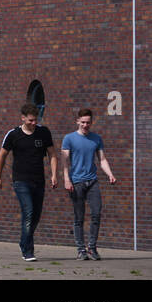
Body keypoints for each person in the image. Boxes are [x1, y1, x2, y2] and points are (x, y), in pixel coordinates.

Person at [0, 102, 57, 261]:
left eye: (36, 120)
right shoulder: (13, 134)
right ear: (23, 118)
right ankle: (28, 251)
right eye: (30, 120)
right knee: (28, 212)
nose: (34, 123)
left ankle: (24, 242)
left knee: (35, 216)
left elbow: (52, 154)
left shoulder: (43, 133)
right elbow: (1, 156)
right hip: (21, 181)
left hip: (39, 181)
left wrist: (54, 175)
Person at [62, 108, 116, 261]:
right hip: (76, 182)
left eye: (88, 122)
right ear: (77, 121)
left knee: (96, 213)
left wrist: (110, 174)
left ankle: (92, 248)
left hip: (92, 181)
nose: (86, 125)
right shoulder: (69, 138)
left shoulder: (96, 138)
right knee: (79, 217)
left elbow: (102, 160)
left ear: (92, 122)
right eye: (83, 122)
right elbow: (64, 161)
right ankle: (81, 250)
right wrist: (66, 179)